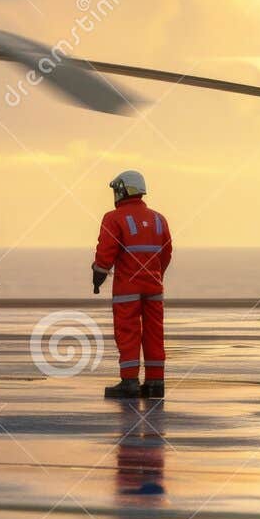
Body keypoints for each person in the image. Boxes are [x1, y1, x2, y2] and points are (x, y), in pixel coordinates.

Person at [92, 170, 173, 399]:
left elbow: (106, 252)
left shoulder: (113, 218)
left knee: (128, 330)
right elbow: (166, 254)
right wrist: (157, 276)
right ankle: (156, 382)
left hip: (127, 288)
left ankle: (129, 382)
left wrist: (99, 275)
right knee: (154, 332)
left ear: (122, 190)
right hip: (154, 287)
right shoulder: (159, 219)